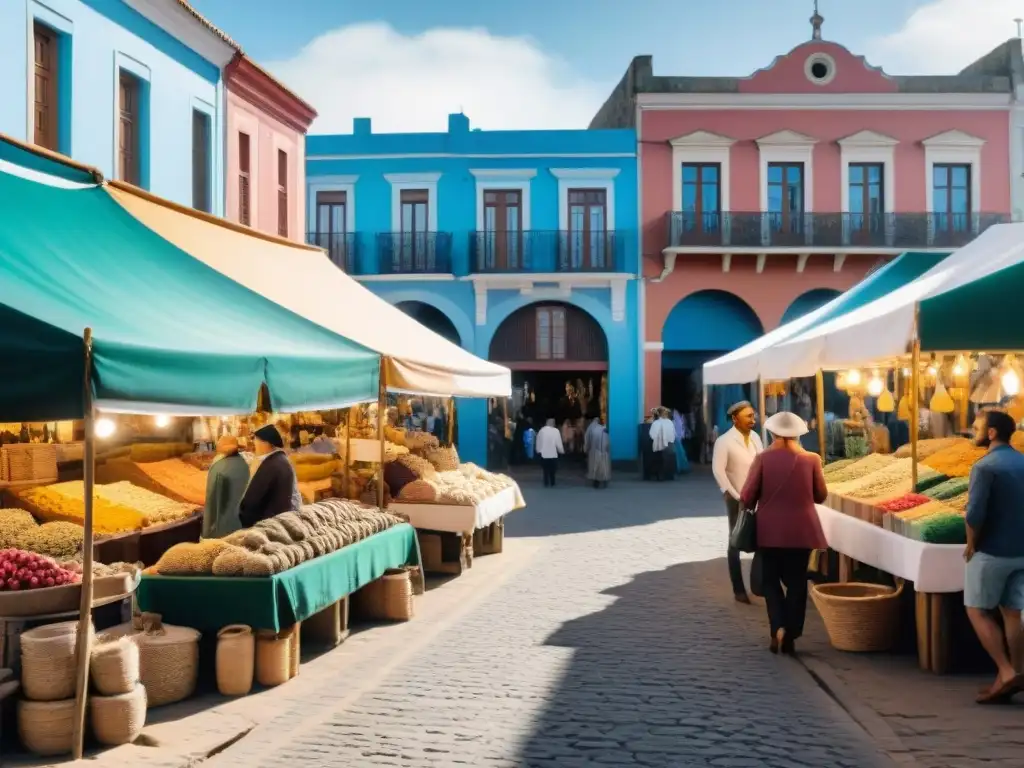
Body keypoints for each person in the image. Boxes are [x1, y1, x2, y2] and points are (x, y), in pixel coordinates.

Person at [741, 412, 827, 655]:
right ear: (798, 434)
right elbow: (820, 495)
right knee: (797, 582)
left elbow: (747, 496)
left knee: (770, 581)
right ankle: (791, 632)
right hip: (802, 531)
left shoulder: (762, 459)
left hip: (769, 532)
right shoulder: (812, 459)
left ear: (772, 433)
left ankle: (777, 627)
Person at [964, 409, 1024, 704]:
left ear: (991, 433)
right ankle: (1016, 674)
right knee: (1013, 611)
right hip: (1021, 550)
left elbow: (974, 513)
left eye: (977, 427)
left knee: (976, 609)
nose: (972, 430)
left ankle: (1006, 670)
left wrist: (970, 544)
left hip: (992, 551)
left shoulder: (985, 467)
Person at [712, 400, 764, 603]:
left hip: (758, 496)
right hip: (736, 498)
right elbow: (718, 471)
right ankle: (739, 589)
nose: (753, 419)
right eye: (748, 416)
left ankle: (759, 584)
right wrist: (733, 494)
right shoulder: (724, 441)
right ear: (735, 419)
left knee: (761, 538)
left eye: (753, 415)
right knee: (735, 541)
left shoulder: (756, 438)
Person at [239, 424, 302, 527]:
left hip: (270, 524)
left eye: (256, 440)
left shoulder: (271, 465)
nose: (254, 444)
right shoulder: (281, 460)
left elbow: (252, 500)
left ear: (266, 443)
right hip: (283, 521)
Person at [202, 435, 250, 538]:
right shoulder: (244, 464)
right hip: (245, 526)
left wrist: (205, 535)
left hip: (225, 530)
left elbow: (211, 503)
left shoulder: (217, 468)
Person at [649, 407, 677, 481]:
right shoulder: (670, 422)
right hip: (670, 444)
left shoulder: (656, 423)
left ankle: (660, 475)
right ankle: (670, 475)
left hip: (659, 445)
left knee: (659, 460)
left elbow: (652, 435)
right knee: (670, 459)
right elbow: (674, 433)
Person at [536, 418, 564, 487]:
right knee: (553, 469)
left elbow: (538, 441)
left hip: (544, 453)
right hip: (553, 453)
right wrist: (561, 450)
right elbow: (558, 442)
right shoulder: (556, 431)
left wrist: (538, 450)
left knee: (545, 469)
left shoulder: (542, 431)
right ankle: (552, 482)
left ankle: (546, 482)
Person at [584, 417, 611, 489]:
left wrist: (586, 449)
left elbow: (587, 439)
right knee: (604, 467)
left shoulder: (591, 428)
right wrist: (607, 450)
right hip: (604, 452)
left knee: (595, 467)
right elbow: (608, 442)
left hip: (594, 451)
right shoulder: (604, 430)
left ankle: (596, 483)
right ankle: (604, 481)